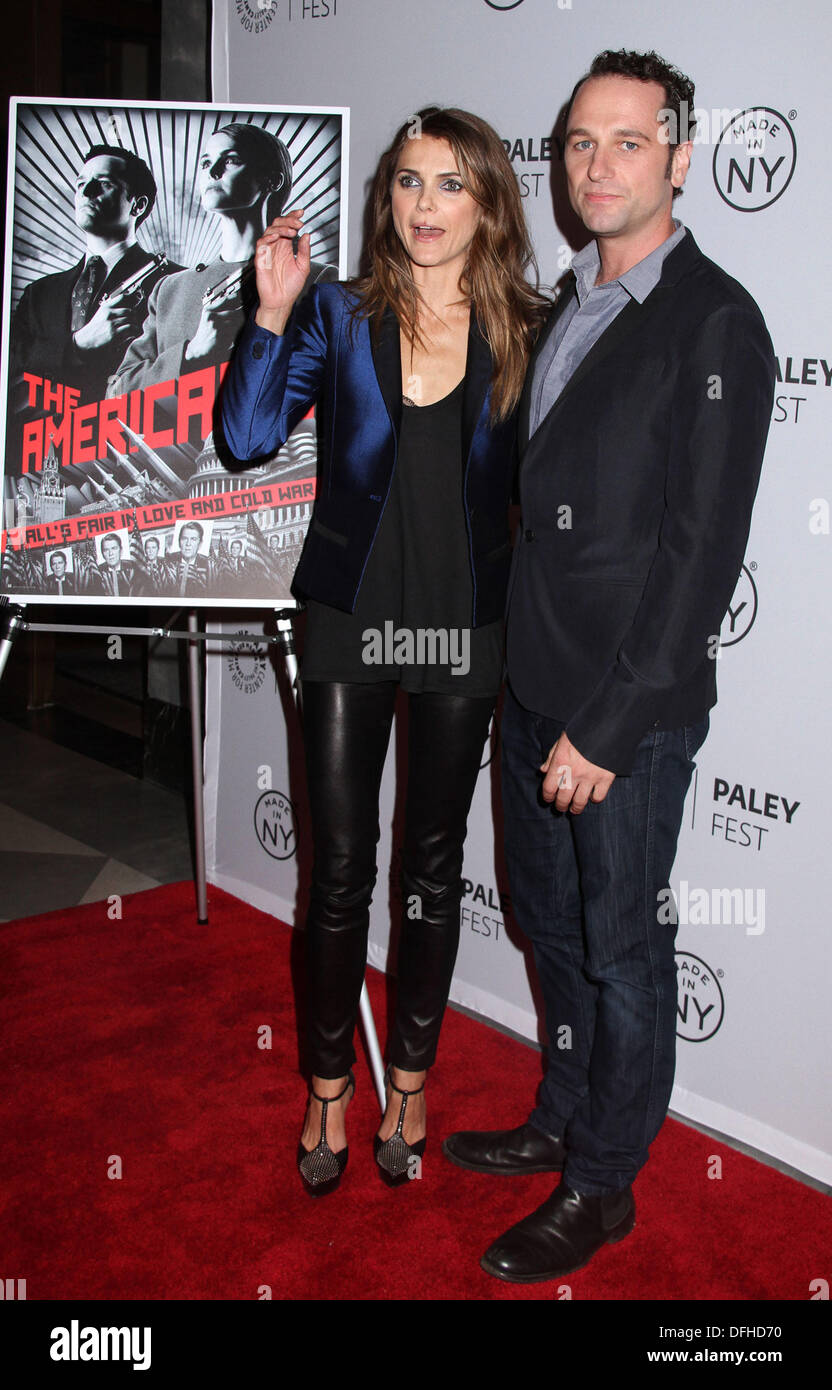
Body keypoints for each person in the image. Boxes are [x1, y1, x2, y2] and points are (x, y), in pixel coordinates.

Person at [442, 50, 775, 1282]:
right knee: (552, 930)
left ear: (679, 158)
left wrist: (607, 725)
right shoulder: (559, 304)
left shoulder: (715, 320)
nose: (597, 164)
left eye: (628, 142)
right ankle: (562, 1112)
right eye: (580, 141)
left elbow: (699, 557)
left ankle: (602, 1184)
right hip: (531, 693)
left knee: (622, 944)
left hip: (619, 714)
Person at [221, 106, 547, 1194]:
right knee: (338, 874)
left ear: (488, 202)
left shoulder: (531, 328)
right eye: (407, 183)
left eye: (450, 185)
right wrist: (267, 314)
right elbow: (250, 435)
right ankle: (326, 1089)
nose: (424, 206)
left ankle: (408, 1075)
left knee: (429, 872)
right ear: (386, 197)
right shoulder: (334, 311)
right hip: (350, 622)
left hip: (462, 628)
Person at [112, 123, 337, 400]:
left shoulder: (318, 280)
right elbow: (117, 391)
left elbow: (332, 385)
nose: (212, 171)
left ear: (272, 180)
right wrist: (192, 353)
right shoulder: (170, 290)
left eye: (230, 160)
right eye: (206, 162)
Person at [10, 145, 174, 405]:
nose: (86, 192)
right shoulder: (37, 294)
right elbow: (10, 377)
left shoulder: (175, 282)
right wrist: (78, 346)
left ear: (138, 205)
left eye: (104, 184)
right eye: (81, 184)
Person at [165, 521, 211, 597]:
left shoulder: (209, 565)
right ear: (179, 542)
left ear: (200, 544)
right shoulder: (167, 561)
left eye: (193, 539)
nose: (188, 544)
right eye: (184, 538)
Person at [96, 534, 136, 598]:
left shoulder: (133, 569)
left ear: (121, 551)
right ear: (103, 554)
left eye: (114, 548)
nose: (110, 553)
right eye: (106, 550)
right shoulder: (97, 574)